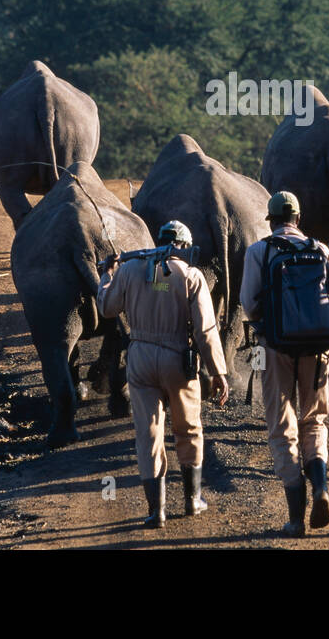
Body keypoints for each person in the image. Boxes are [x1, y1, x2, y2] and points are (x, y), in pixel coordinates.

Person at [98, 220, 229, 528]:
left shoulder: (130, 271)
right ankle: (192, 500)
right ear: (182, 246)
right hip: (178, 360)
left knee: (148, 433)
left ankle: (157, 511)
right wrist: (218, 372)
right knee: (188, 428)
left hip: (140, 356)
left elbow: (106, 307)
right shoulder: (191, 276)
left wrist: (107, 274)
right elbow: (206, 331)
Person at [239, 191, 329, 537]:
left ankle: (296, 518)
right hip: (319, 349)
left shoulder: (260, 251)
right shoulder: (321, 249)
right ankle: (321, 487)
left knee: (281, 426)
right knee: (314, 420)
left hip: (277, 347)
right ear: (298, 218)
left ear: (271, 220)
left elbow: (249, 306)